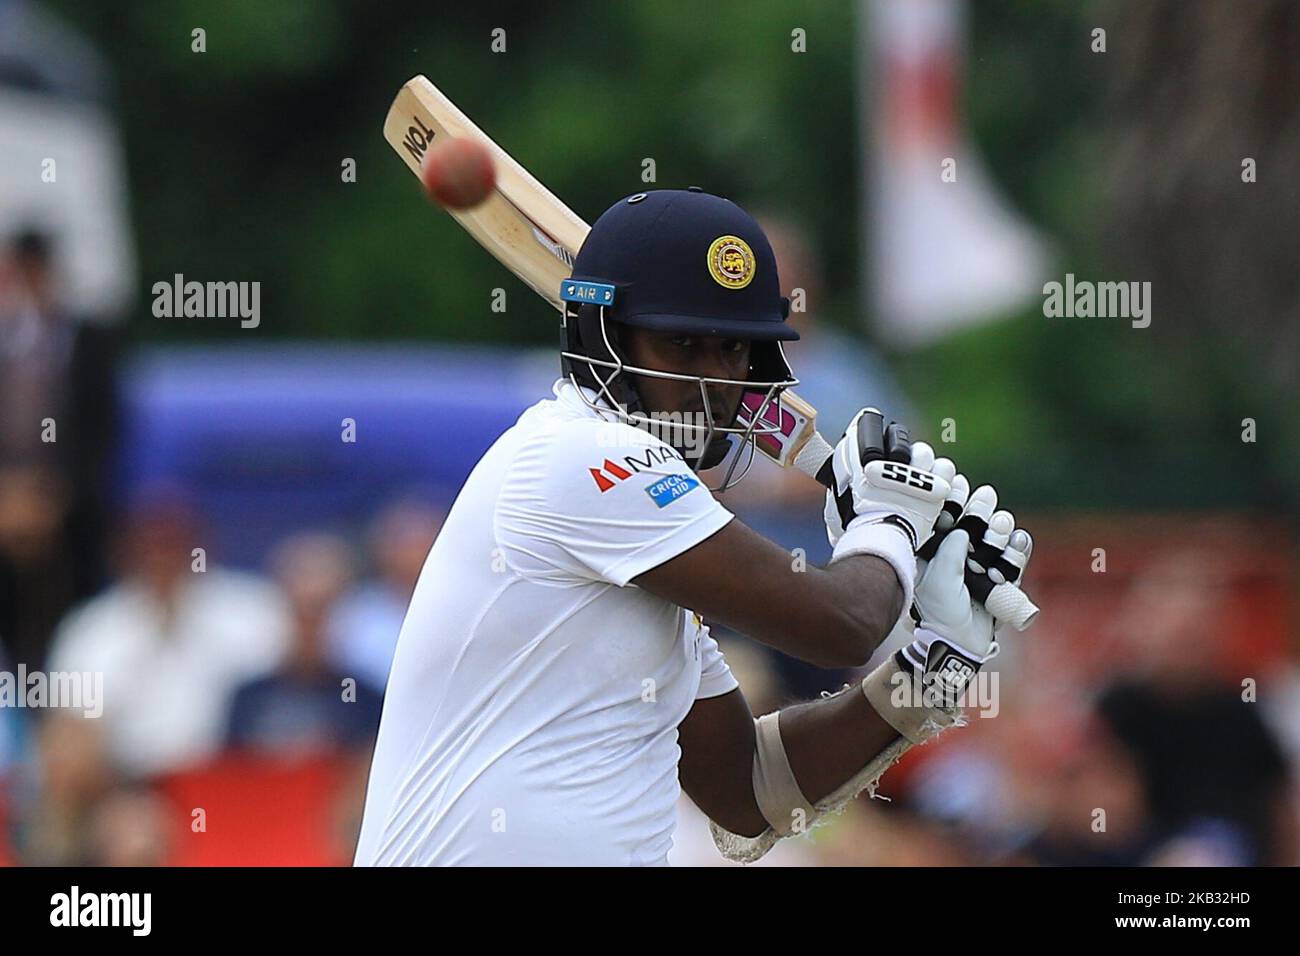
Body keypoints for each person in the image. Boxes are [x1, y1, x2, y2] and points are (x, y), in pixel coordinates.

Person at [354, 189, 1032, 866]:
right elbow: (842, 626)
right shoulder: (581, 454)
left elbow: (753, 792)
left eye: (733, 350)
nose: (711, 381)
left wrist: (937, 663)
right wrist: (887, 523)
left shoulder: (655, 568)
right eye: (683, 344)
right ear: (603, 337)